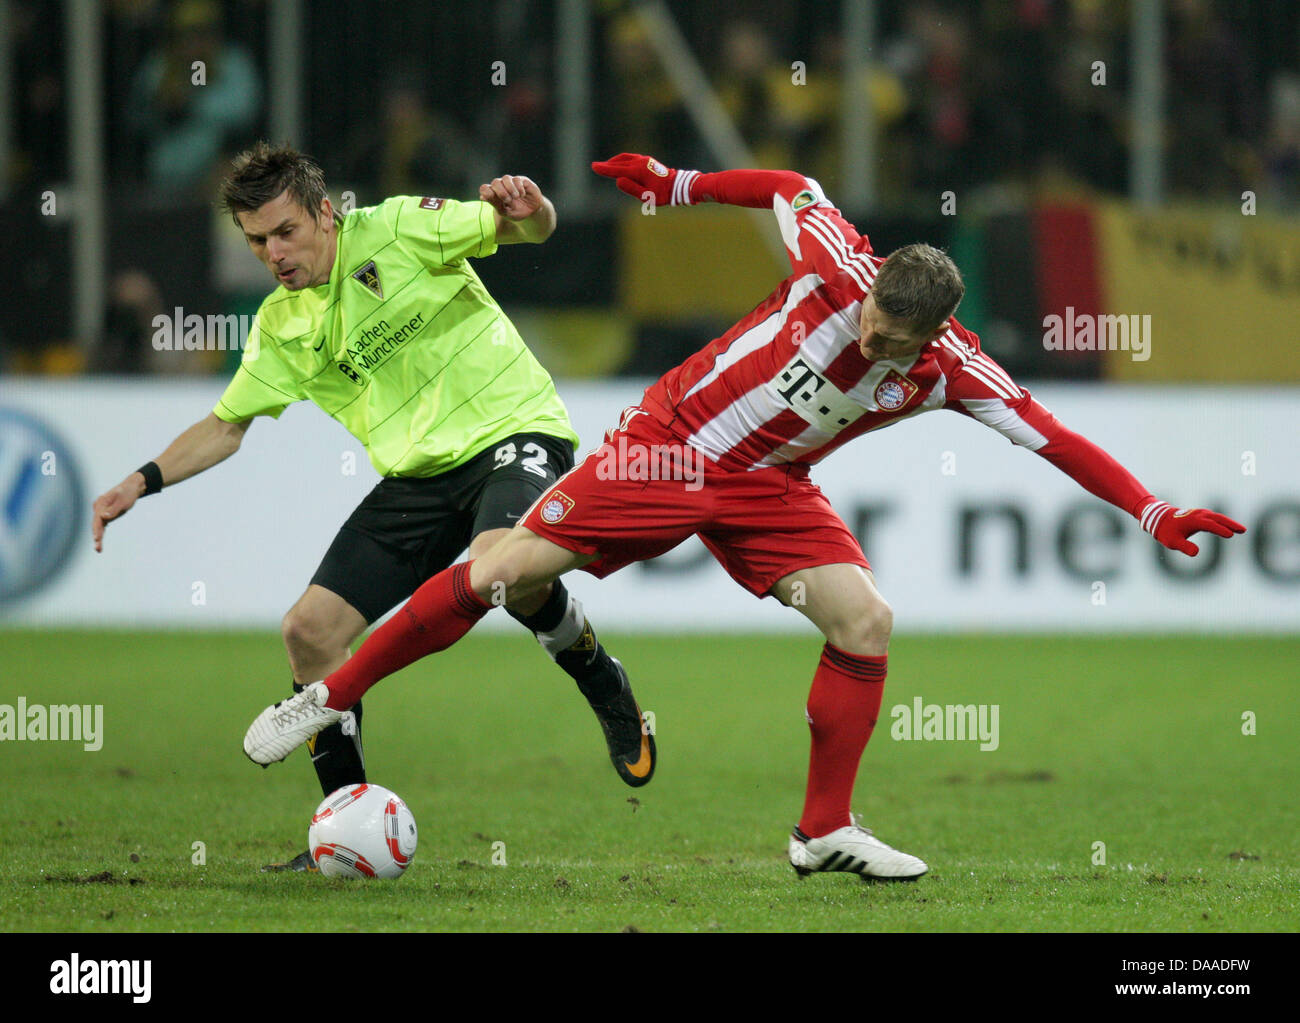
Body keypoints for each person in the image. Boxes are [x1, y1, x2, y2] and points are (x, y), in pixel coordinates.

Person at [244, 153, 1245, 881]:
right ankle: (332, 693)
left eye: (893, 340)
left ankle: (822, 830)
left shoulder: (952, 370)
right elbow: (782, 187)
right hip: (667, 446)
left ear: (932, 332)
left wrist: (1151, 511)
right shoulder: (838, 262)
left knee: (866, 622)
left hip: (770, 492)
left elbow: (1054, 436)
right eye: (869, 322)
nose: (871, 341)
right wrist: (677, 186)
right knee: (503, 569)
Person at [92, 143, 655, 872]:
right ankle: (345, 819)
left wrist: (534, 207)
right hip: (418, 479)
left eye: (285, 231)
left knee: (501, 573)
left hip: (511, 429)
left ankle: (598, 675)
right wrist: (138, 480)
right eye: (258, 241)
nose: (275, 253)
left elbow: (526, 230)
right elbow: (226, 426)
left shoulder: (397, 229)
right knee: (309, 630)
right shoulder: (280, 326)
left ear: (325, 212)